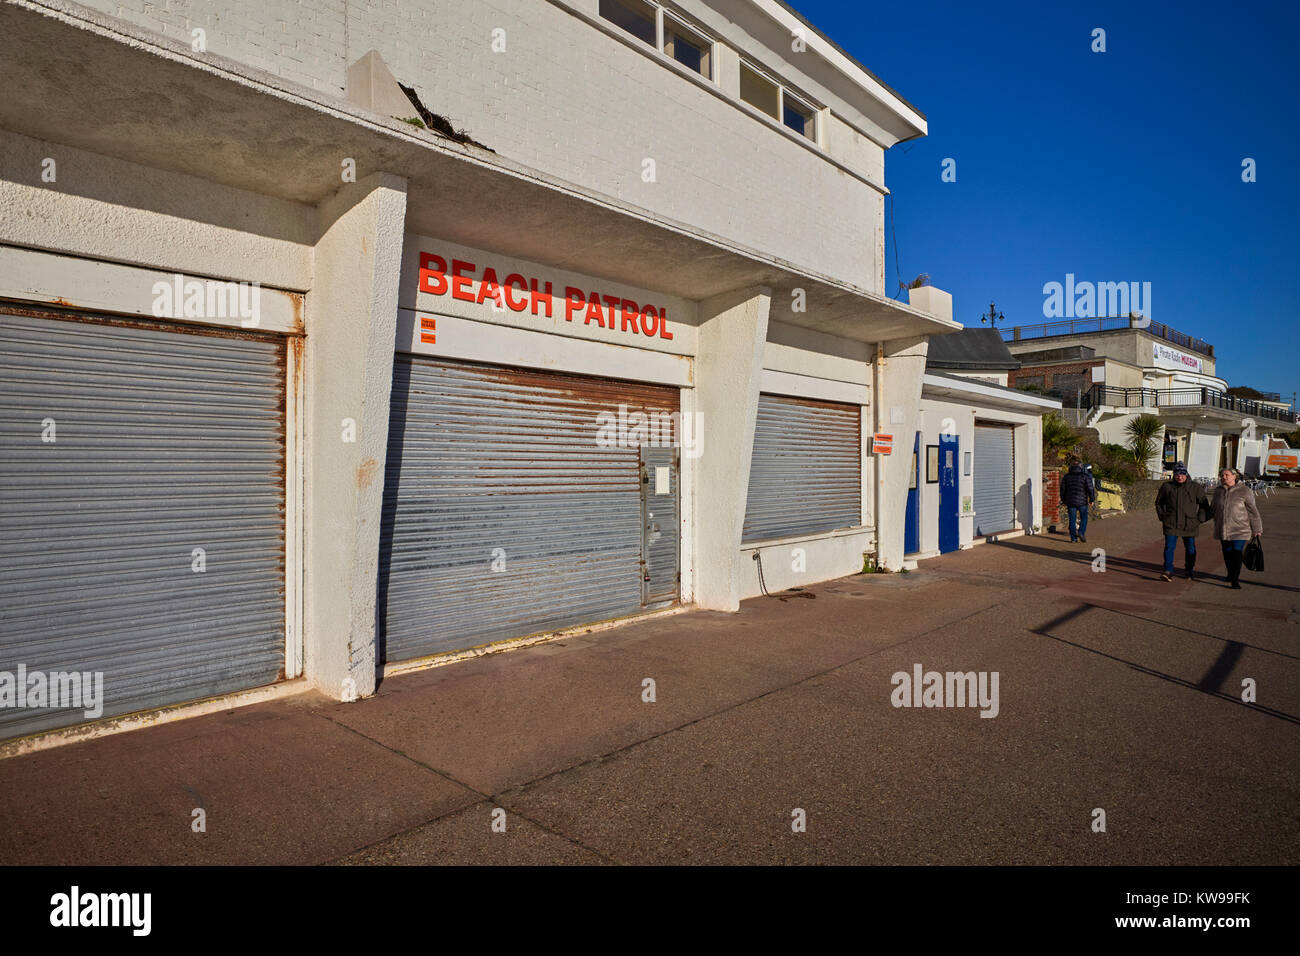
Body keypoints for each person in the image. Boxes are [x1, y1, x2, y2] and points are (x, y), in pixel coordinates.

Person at [1154, 461, 1209, 581]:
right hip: (1171, 523)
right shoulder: (1167, 486)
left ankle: (1189, 570)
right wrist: (1163, 516)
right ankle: (1168, 571)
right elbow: (1159, 503)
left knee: (1190, 548)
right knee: (1169, 547)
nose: (1180, 477)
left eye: (1182, 474)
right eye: (1177, 474)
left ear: (1186, 474)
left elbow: (1204, 505)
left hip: (1190, 524)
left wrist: (1199, 519)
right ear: (1174, 475)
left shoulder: (1195, 487)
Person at [1211, 467, 1263, 589]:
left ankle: (1235, 579)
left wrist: (1257, 529)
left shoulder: (1245, 491)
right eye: (1222, 475)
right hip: (1222, 528)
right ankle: (1230, 572)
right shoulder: (1218, 491)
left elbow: (1253, 511)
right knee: (1227, 552)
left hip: (1240, 528)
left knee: (1236, 552)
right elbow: (1213, 508)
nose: (1224, 477)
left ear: (1234, 476)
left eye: (1227, 475)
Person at [1059, 457, 1096, 543]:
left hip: (1070, 501)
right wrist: (1092, 499)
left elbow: (1063, 490)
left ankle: (1073, 538)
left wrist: (1063, 500)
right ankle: (1081, 532)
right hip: (1082, 501)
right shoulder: (1085, 476)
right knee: (1084, 517)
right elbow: (1090, 489)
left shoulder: (1066, 477)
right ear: (1080, 466)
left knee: (1072, 519)